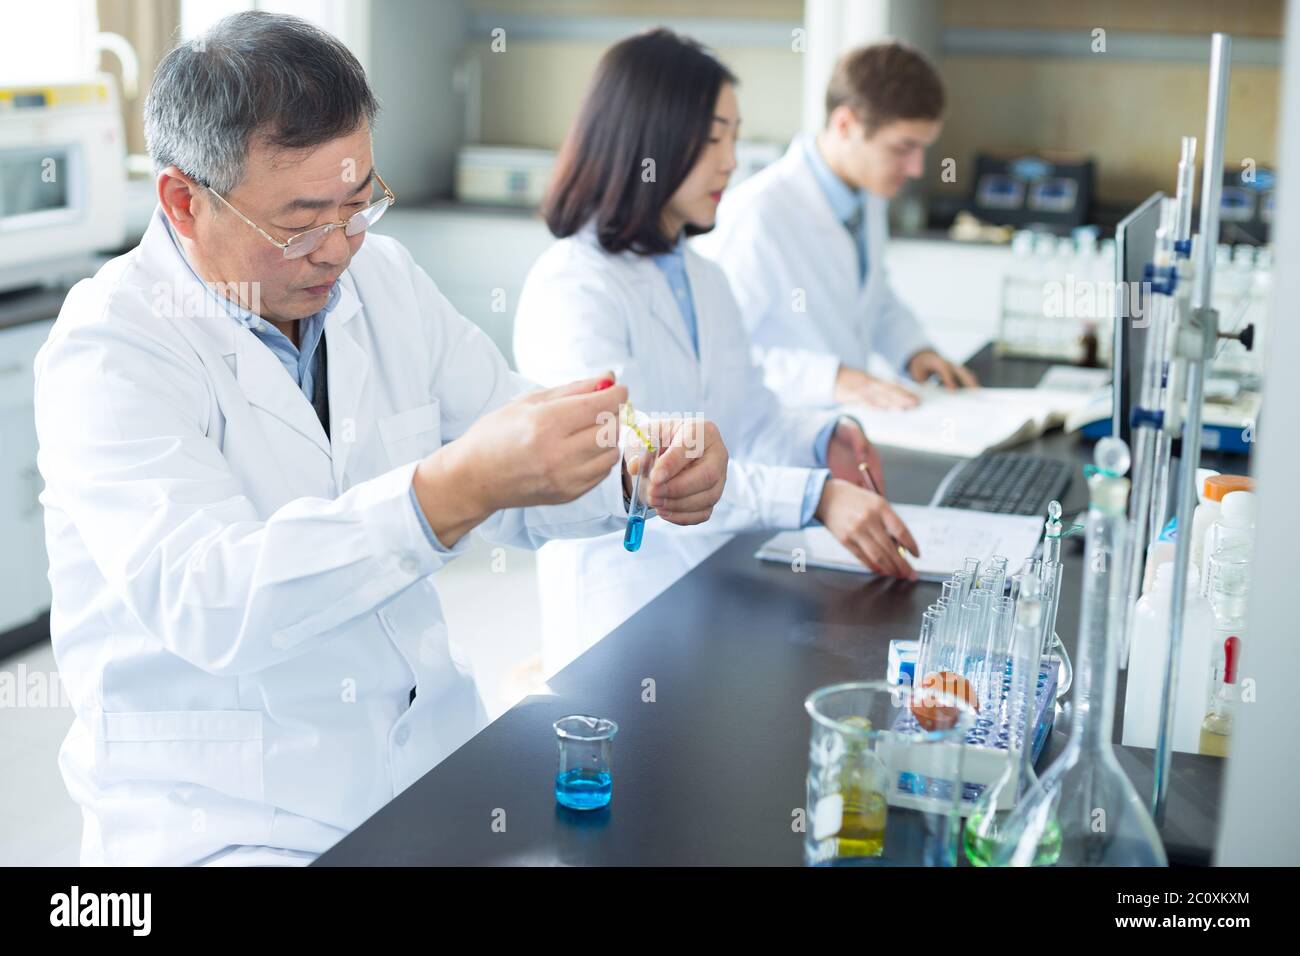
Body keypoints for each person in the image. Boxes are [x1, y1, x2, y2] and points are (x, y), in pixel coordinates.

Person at [33, 12, 727, 866]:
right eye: (300, 221)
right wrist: (448, 493)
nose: (338, 251)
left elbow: (507, 435)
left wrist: (635, 471)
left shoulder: (382, 279)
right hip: (232, 817)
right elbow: (208, 597)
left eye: (360, 205)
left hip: (428, 755)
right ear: (183, 200)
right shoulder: (112, 345)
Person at [514, 29, 919, 676]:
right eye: (712, 138)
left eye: (735, 137)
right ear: (648, 137)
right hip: (622, 612)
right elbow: (651, 463)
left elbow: (750, 416)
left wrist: (823, 438)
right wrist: (815, 496)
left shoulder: (703, 276)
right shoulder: (573, 286)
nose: (731, 161)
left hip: (711, 585)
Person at [695, 41, 977, 411]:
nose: (916, 168)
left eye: (922, 149)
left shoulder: (866, 195)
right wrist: (828, 378)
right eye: (902, 148)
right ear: (845, 124)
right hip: (773, 446)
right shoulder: (757, 215)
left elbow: (870, 297)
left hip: (845, 432)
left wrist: (913, 350)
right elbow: (714, 354)